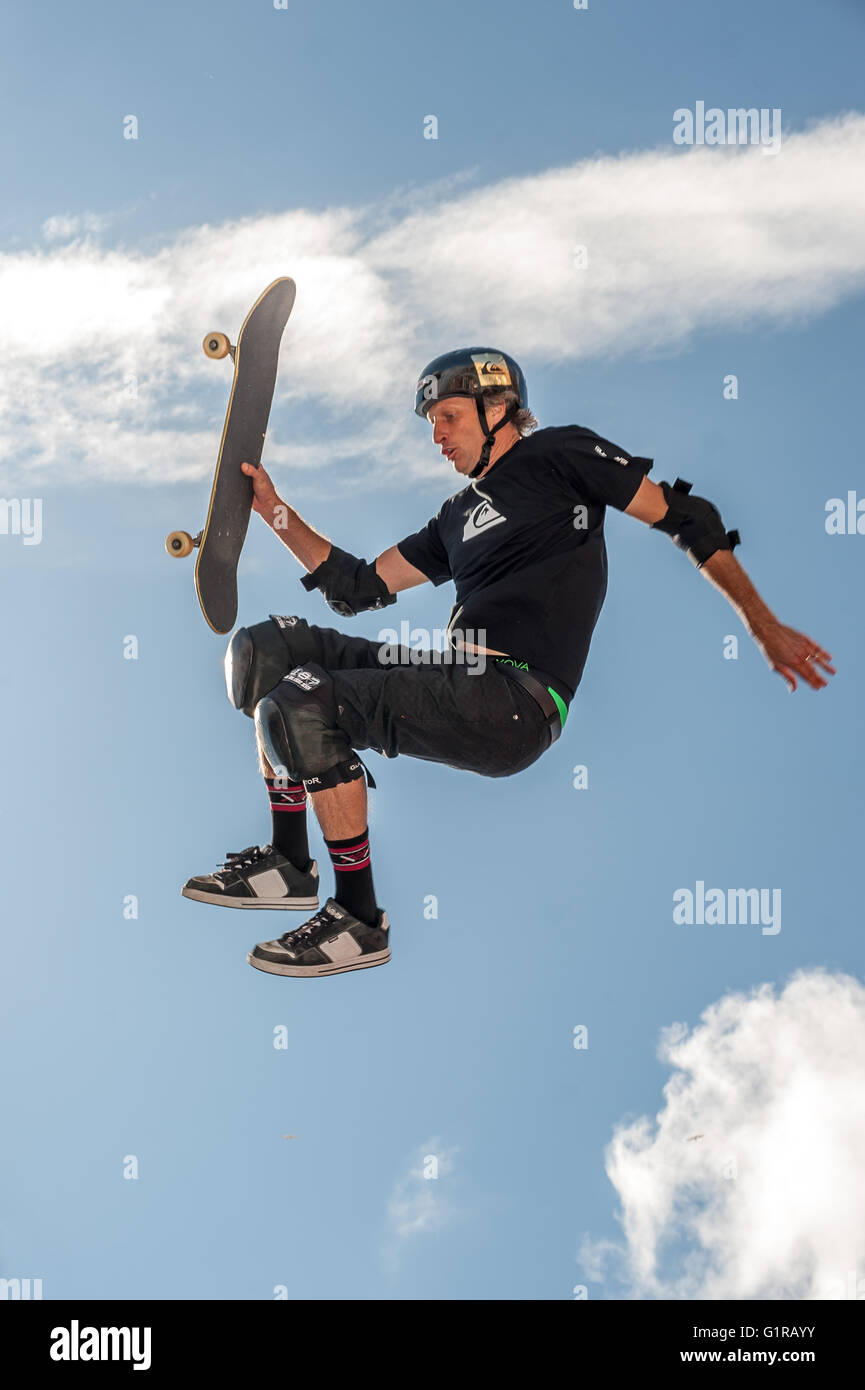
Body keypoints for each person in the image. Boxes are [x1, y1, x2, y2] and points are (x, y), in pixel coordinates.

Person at [181, 347, 835, 978]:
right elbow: (354, 586)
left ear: (499, 405)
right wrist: (271, 508)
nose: (436, 436)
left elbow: (685, 515)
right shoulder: (454, 518)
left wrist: (761, 621)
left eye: (448, 417)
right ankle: (288, 863)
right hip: (451, 676)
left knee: (301, 703)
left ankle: (358, 920)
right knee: (266, 652)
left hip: (514, 702)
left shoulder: (560, 455)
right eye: (430, 424)